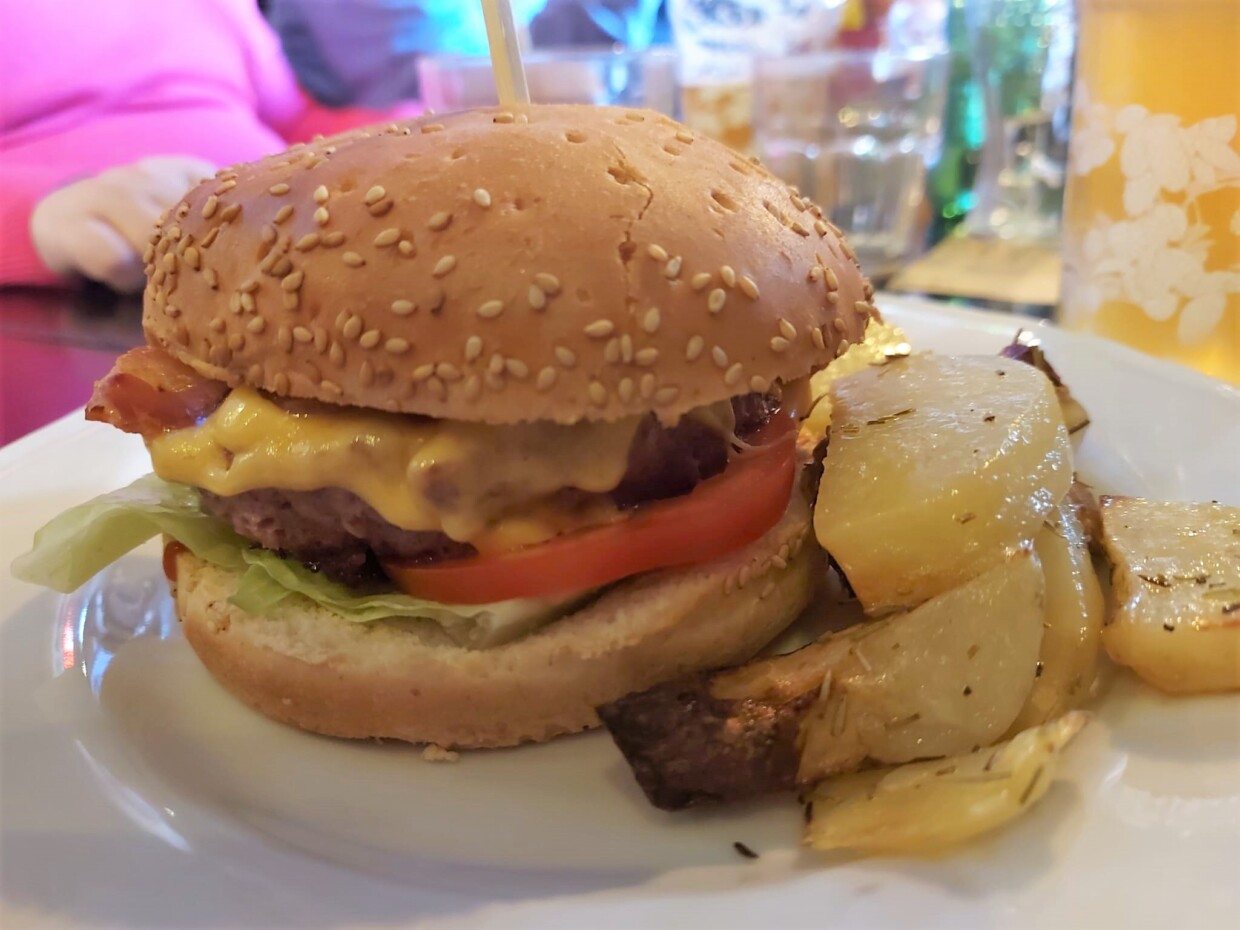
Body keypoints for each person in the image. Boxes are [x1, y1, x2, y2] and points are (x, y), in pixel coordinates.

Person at [0, 0, 419, 293]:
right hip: (77, 301)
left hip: (279, 265)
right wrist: (43, 216)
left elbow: (292, 119)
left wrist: (413, 124)